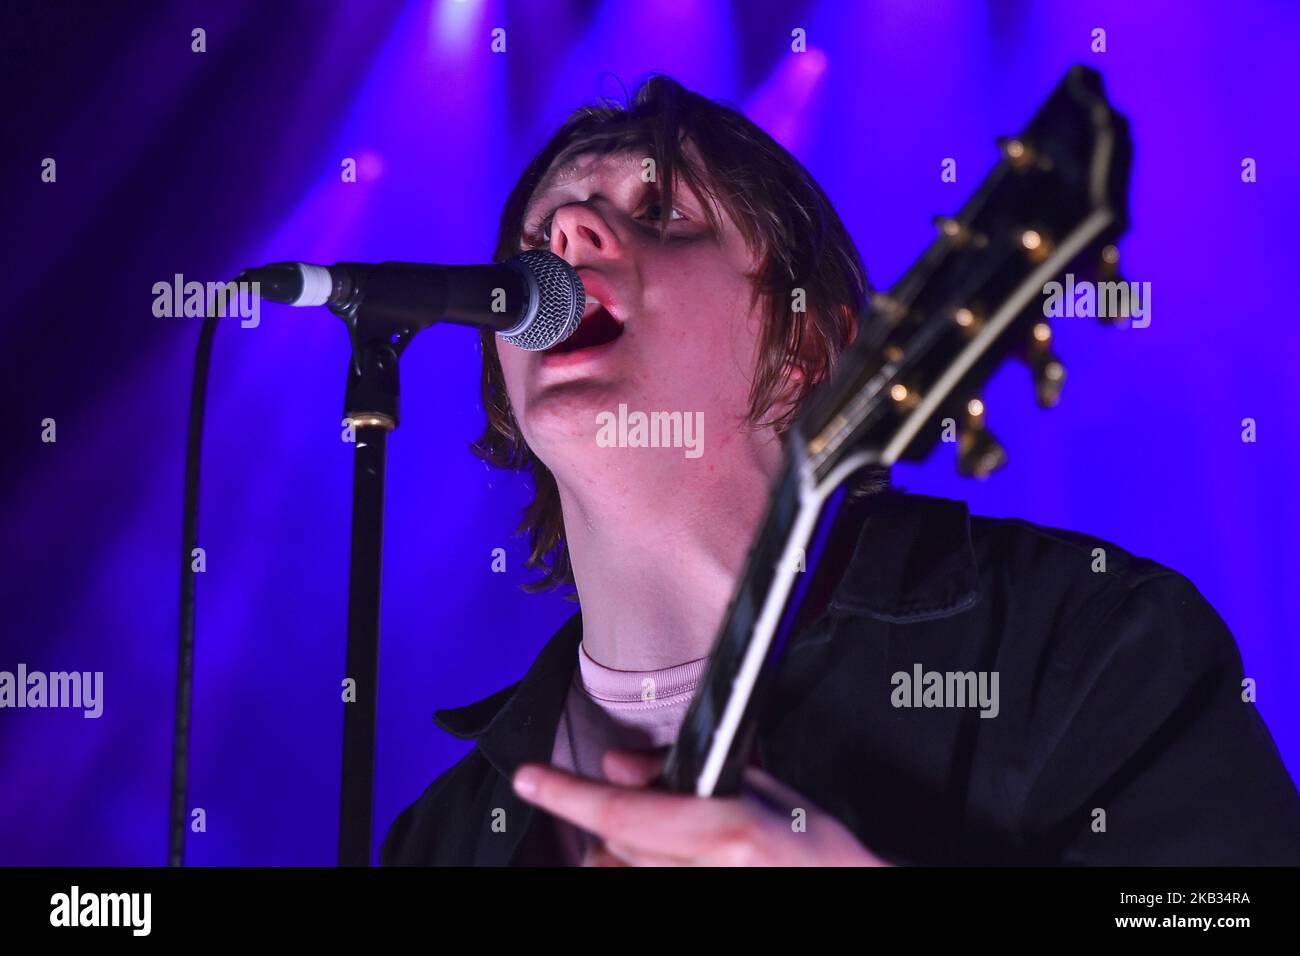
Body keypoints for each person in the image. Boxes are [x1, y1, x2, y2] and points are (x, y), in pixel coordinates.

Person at [381, 75, 1300, 866]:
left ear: (805, 345)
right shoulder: (447, 833)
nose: (570, 233)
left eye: (663, 212)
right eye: (539, 240)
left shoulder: (1077, 640)